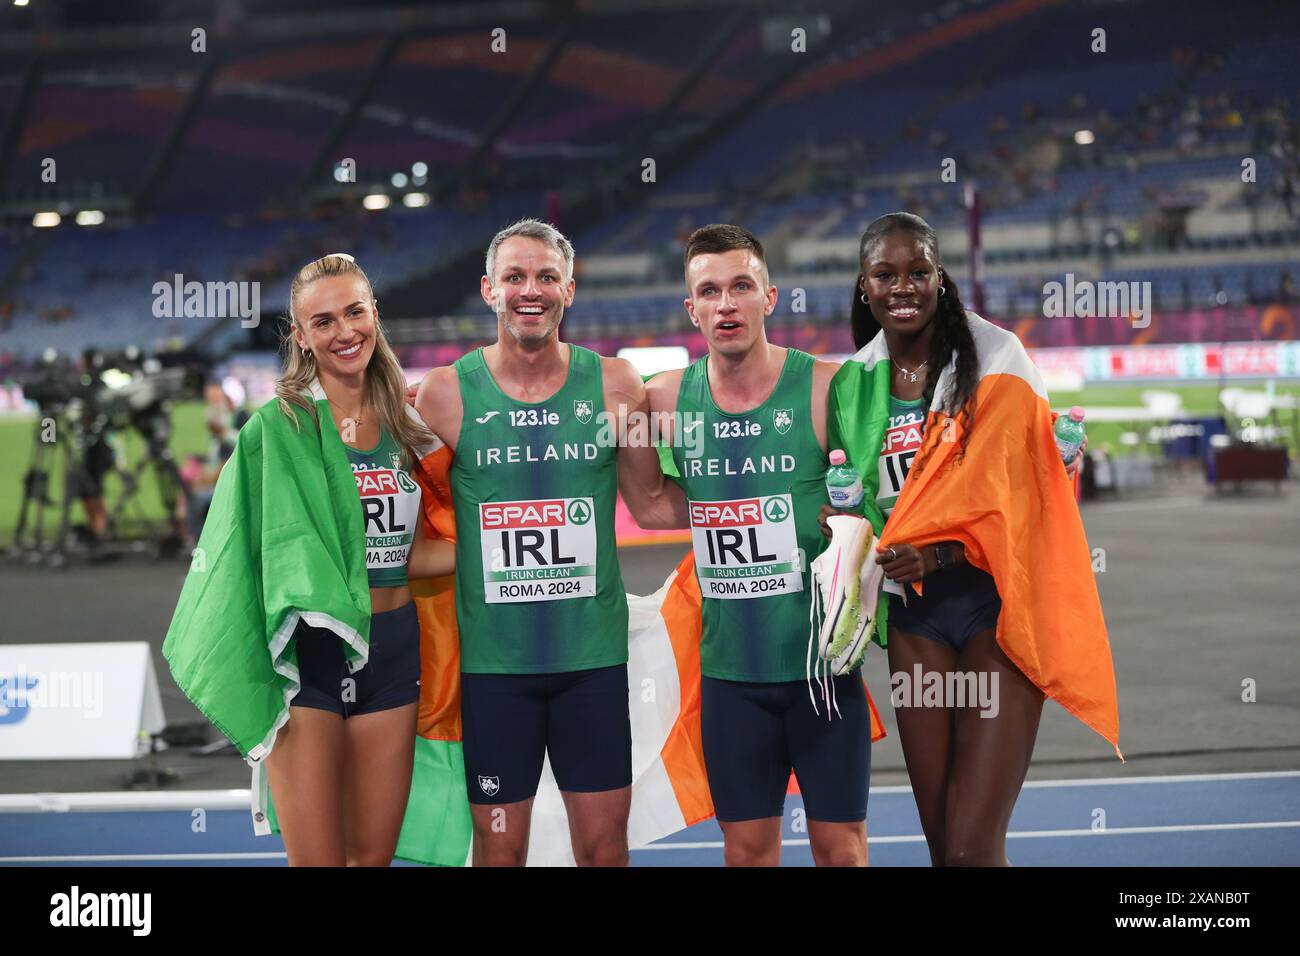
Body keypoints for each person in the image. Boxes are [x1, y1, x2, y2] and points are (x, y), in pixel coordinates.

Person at [824, 212, 1119, 866]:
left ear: (941, 280)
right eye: (886, 275)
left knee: (973, 847)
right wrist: (846, 521)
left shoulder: (998, 358)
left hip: (999, 610)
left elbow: (1028, 496)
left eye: (919, 272)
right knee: (944, 848)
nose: (903, 286)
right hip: (915, 619)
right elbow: (860, 506)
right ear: (864, 287)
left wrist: (944, 549)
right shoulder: (854, 383)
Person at [413, 219, 672, 866]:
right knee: (499, 853)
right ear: (489, 290)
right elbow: (393, 514)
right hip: (494, 675)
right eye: (516, 277)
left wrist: (798, 506)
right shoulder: (444, 394)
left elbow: (652, 500)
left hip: (593, 668)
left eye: (547, 277)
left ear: (570, 290)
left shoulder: (616, 385)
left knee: (603, 849)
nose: (532, 290)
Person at [636, 224, 874, 867]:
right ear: (691, 309)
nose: (726, 304)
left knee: (841, 849)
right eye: (709, 291)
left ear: (770, 296)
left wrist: (853, 512)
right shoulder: (661, 399)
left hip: (821, 669)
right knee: (745, 851)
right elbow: (651, 503)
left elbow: (886, 496)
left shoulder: (827, 387)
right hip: (730, 677)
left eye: (742, 286)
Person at [258, 253, 453, 865]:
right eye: (322, 322)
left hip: (393, 652)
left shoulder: (410, 421)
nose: (344, 332)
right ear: (301, 336)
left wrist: (496, 548)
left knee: (370, 860)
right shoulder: (280, 429)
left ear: (375, 313)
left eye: (354, 311)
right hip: (309, 655)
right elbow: (259, 556)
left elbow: (399, 555)